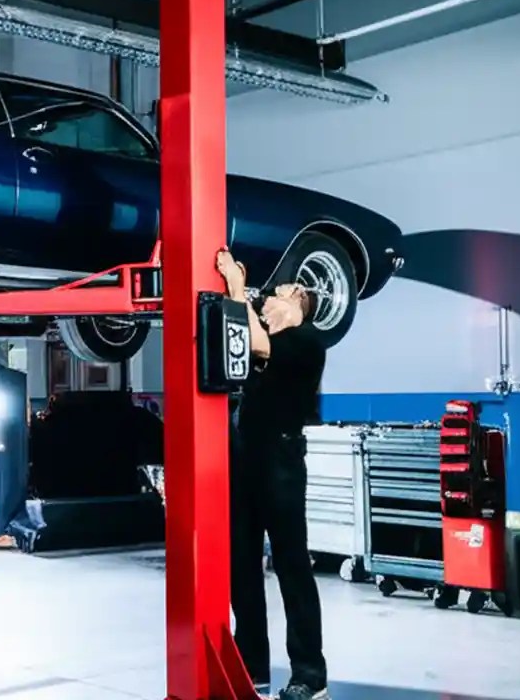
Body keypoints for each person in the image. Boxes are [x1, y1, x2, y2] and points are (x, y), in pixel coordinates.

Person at [217, 248, 330, 700]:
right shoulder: (265, 330)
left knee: (291, 565)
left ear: (296, 300)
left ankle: (309, 675)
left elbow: (256, 342)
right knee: (241, 564)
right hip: (245, 455)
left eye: (277, 293)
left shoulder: (307, 341)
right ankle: (251, 669)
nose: (268, 298)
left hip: (281, 459)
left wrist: (235, 286)